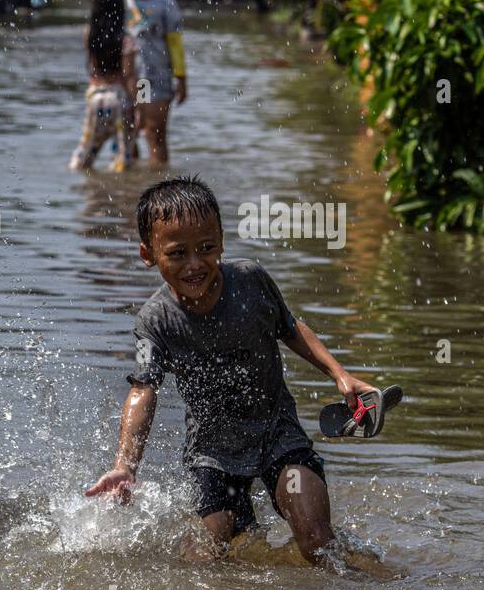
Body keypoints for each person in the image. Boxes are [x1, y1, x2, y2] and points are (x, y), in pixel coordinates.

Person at [84, 177, 376, 564]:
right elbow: (143, 389)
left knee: (318, 542)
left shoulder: (250, 281)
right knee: (207, 556)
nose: (195, 264)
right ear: (148, 254)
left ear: (221, 240)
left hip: (277, 433)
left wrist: (340, 374)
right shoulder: (155, 321)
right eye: (177, 253)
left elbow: (288, 328)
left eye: (206, 248)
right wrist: (125, 464)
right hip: (213, 454)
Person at [121, 0, 186, 163]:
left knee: (155, 134)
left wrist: (181, 78)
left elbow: (175, 44)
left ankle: (159, 189)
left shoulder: (166, 4)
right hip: (126, 80)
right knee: (127, 137)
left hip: (157, 79)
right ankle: (132, 188)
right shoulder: (119, 2)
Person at [70, 0, 136, 172]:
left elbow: (93, 66)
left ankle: (83, 190)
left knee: (85, 154)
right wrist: (138, 106)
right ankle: (119, 195)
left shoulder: (89, 35)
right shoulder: (126, 39)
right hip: (119, 99)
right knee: (123, 159)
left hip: (95, 97)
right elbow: (130, 76)